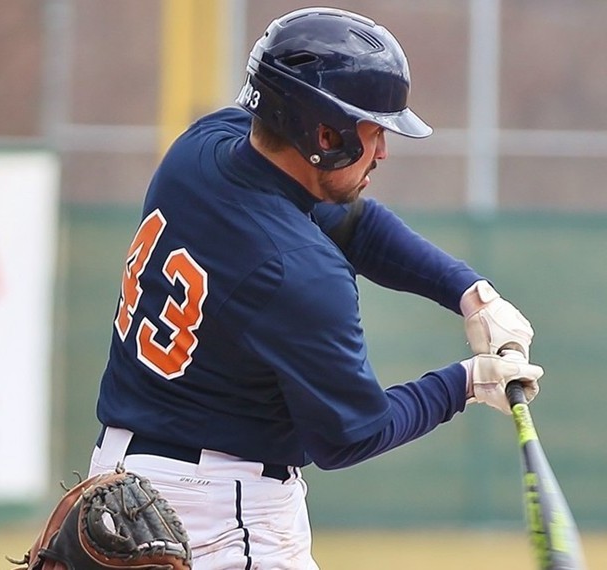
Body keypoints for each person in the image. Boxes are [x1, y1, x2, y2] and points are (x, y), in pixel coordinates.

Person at [88, 7, 544, 569]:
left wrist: (471, 292)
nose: (383, 152)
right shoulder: (298, 270)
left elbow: (354, 223)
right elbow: (351, 434)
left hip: (117, 482)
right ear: (324, 135)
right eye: (373, 131)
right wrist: (466, 383)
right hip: (220, 514)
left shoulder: (201, 148)